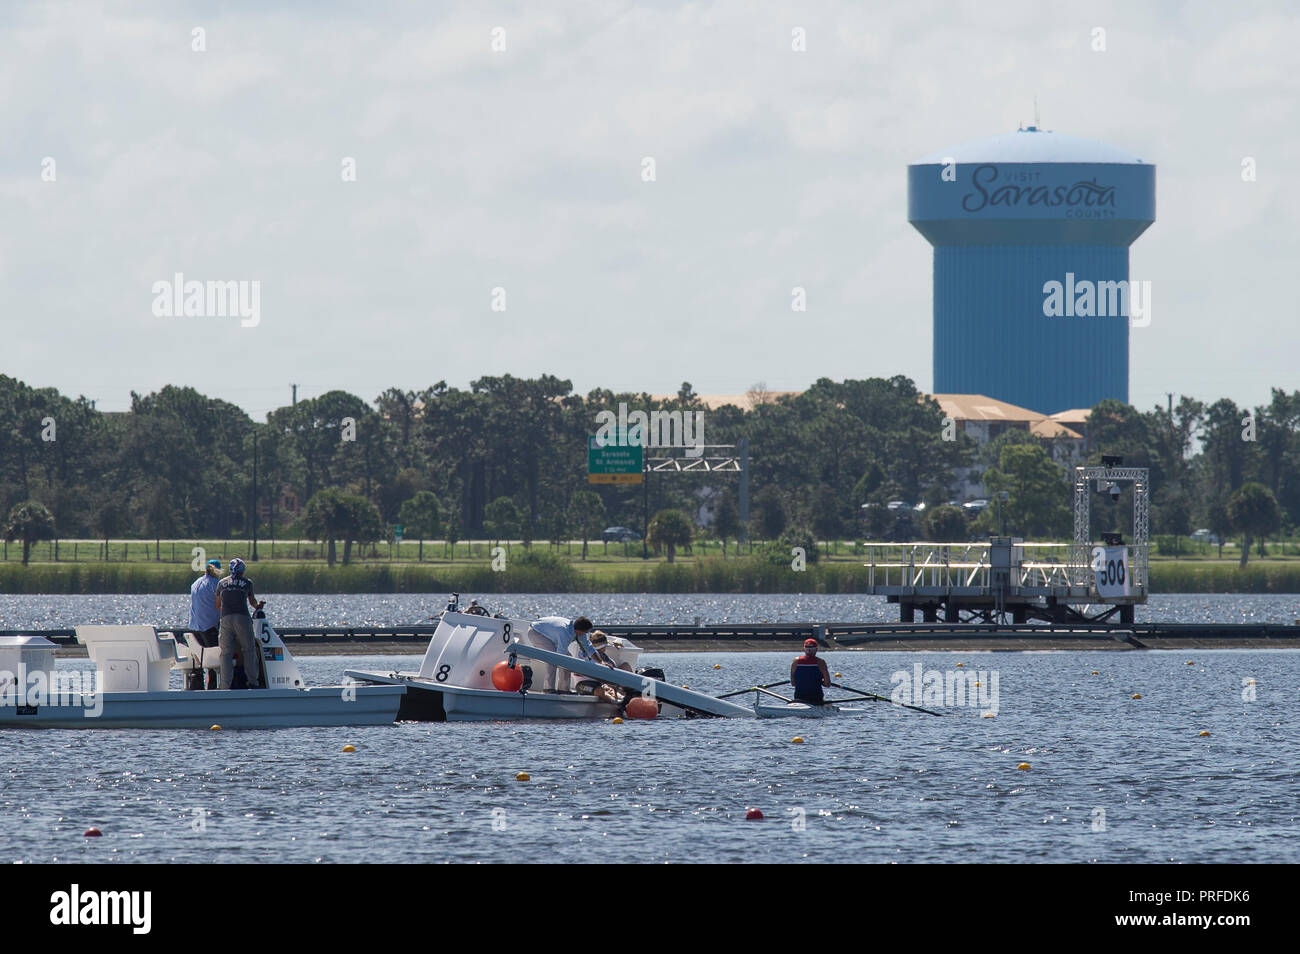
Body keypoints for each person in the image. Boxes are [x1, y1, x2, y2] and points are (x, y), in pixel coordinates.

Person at [214, 557, 265, 689]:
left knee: (226, 653)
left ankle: (225, 685)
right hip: (242, 617)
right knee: (248, 650)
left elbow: (217, 604)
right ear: (242, 570)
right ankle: (253, 681)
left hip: (225, 618)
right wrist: (258, 606)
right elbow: (252, 602)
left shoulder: (221, 583)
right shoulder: (247, 583)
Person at [525, 615, 611, 691]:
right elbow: (559, 656)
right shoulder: (564, 633)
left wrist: (601, 662)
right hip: (535, 632)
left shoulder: (580, 633)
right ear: (580, 631)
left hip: (547, 632)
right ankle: (548, 688)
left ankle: (563, 689)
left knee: (568, 658)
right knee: (552, 657)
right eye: (586, 632)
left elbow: (589, 647)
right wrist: (576, 667)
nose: (586, 634)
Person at [187, 559, 223, 689]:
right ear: (217, 571)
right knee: (213, 662)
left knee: (199, 660)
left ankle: (198, 687)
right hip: (209, 626)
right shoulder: (216, 584)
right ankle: (213, 688)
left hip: (195, 627)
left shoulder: (195, 583)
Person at [790, 638, 830, 705]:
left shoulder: (796, 661)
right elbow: (827, 684)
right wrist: (819, 681)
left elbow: (793, 683)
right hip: (816, 699)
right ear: (816, 649)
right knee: (828, 704)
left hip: (799, 698)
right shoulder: (820, 662)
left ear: (804, 649)